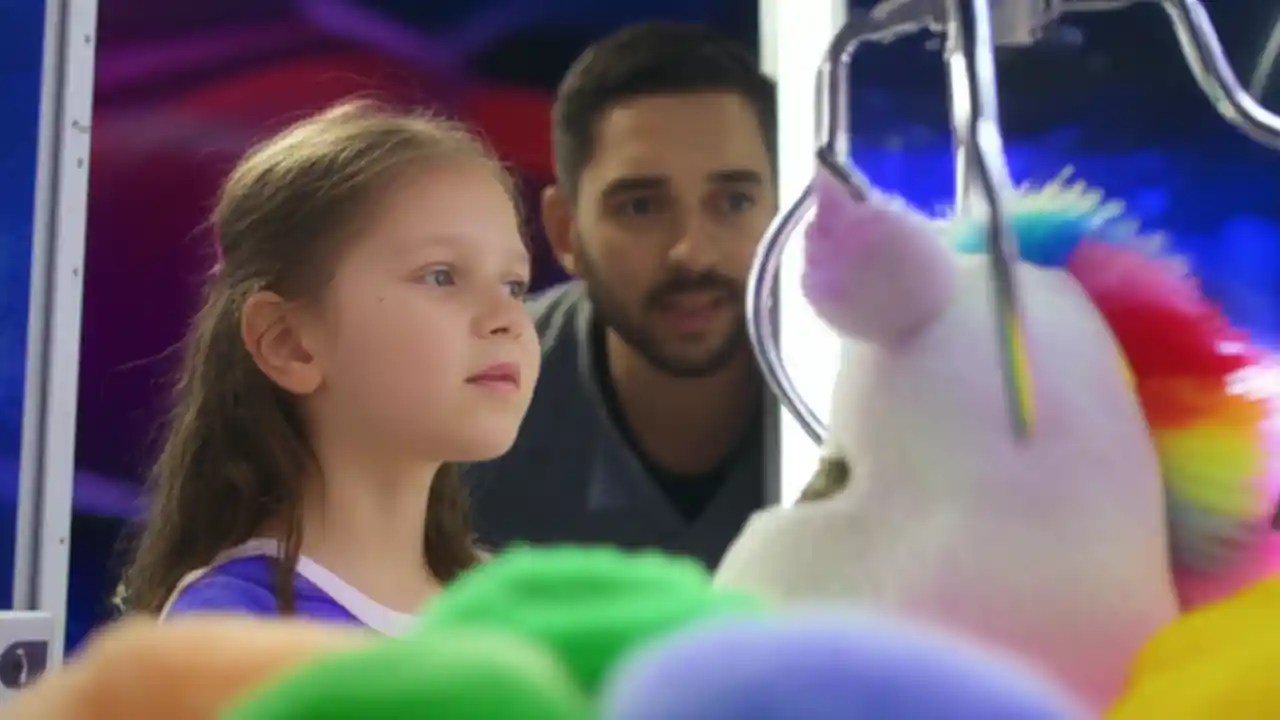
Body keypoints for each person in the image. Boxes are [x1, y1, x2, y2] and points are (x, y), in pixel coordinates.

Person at [116, 100, 540, 635]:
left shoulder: (519, 614)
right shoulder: (232, 634)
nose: (509, 320)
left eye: (515, 285)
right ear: (289, 343)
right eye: (441, 276)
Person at [463, 23, 778, 568]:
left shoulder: (863, 396)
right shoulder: (463, 410)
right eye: (641, 207)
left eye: (733, 202)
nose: (692, 253)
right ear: (565, 232)